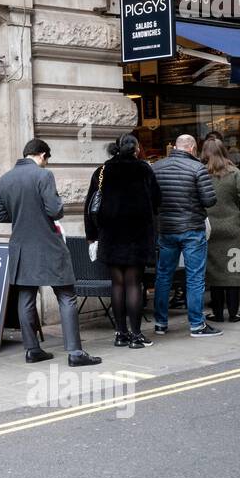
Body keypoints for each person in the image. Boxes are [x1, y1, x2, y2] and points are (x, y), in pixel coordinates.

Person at [0, 138, 101, 366]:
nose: (46, 163)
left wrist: (23, 214)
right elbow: (56, 210)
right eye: (47, 159)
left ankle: (32, 350)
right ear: (42, 155)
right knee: (66, 296)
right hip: (48, 246)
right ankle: (75, 353)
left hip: (20, 247)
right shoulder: (43, 176)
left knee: (26, 297)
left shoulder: (5, 179)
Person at [84, 133, 160, 349]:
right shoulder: (144, 169)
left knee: (117, 284)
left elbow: (89, 207)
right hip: (137, 234)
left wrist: (92, 236)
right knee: (134, 284)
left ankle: (120, 334)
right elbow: (157, 200)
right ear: (136, 148)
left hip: (111, 234)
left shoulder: (102, 171)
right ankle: (136, 335)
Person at [151, 134, 220, 337]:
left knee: (163, 276)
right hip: (192, 229)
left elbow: (152, 199)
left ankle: (160, 324)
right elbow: (209, 200)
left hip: (166, 229)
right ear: (191, 148)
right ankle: (197, 325)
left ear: (176, 147)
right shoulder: (197, 168)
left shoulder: (156, 168)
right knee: (195, 277)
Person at [202, 137, 240, 323]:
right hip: (233, 229)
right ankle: (234, 313)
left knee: (215, 273)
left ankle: (217, 313)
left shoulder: (202, 174)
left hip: (210, 230)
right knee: (233, 272)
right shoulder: (234, 173)